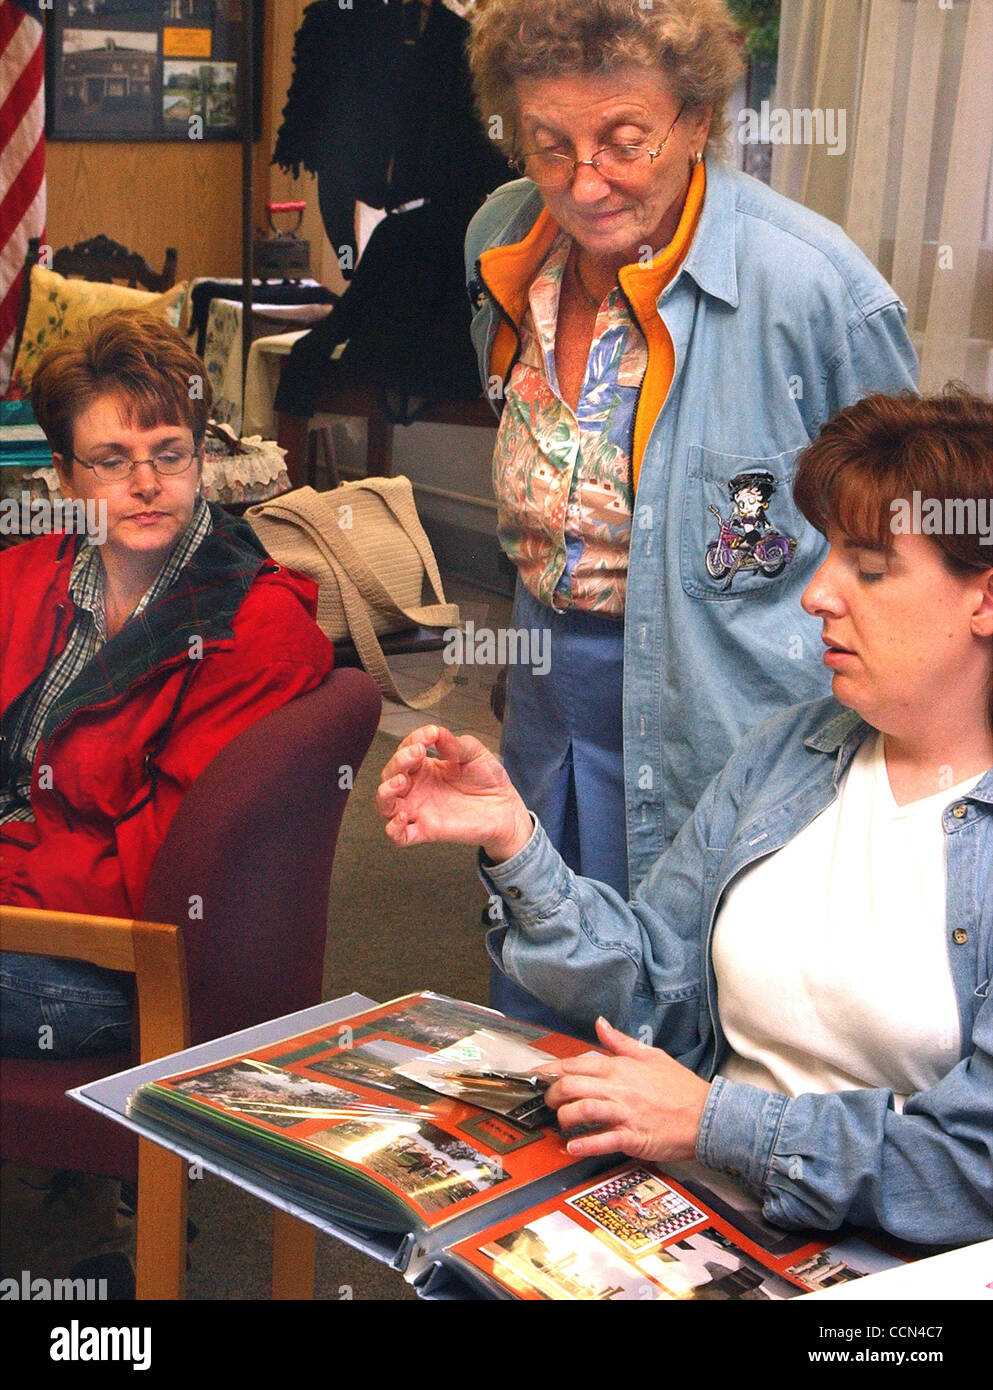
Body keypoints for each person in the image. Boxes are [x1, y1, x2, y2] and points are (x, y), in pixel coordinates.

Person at [377, 389, 993, 1245]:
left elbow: (971, 1169)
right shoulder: (789, 754)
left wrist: (715, 1123)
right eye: (826, 557)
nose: (816, 594)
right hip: (698, 1204)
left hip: (885, 1258)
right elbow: (656, 990)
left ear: (984, 600)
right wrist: (513, 840)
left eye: (869, 565)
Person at [464, 0, 918, 1020]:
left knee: (703, 1028)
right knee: (541, 998)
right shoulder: (500, 243)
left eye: (624, 142)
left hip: (736, 721)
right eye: (550, 146)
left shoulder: (814, 291)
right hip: (547, 699)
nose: (586, 183)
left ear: (699, 117)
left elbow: (909, 552)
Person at [0, 310, 334, 1058]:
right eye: (112, 461)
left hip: (129, 967)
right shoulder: (23, 578)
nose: (147, 485)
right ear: (65, 476)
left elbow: (157, 879)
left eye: (170, 454)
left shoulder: (255, 631)